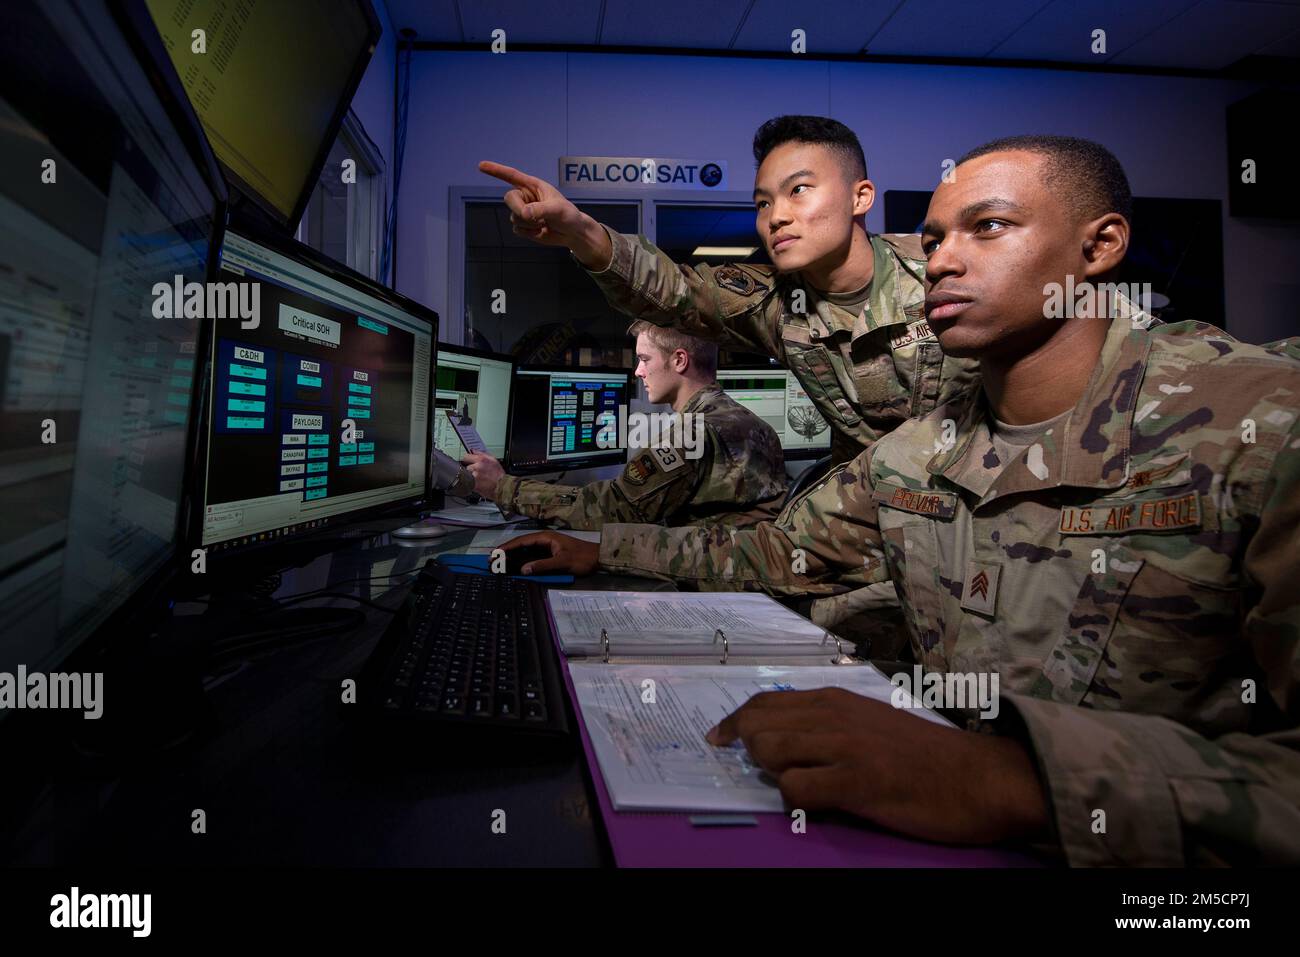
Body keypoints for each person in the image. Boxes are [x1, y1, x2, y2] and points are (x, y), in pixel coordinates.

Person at [502, 135, 1300, 866]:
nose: (945, 262)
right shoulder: (917, 450)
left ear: (1099, 247)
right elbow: (776, 550)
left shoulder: (1257, 426)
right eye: (936, 237)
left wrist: (1011, 781)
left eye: (987, 227)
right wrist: (606, 551)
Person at [480, 114, 980, 468]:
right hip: (869, 521)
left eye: (798, 190)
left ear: (860, 196)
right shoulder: (776, 304)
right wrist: (578, 232)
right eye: (762, 203)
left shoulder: (942, 268)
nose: (775, 216)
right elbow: (673, 290)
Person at [461, 321, 787, 530]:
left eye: (644, 360)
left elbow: (613, 508)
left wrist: (502, 486)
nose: (638, 372)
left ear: (679, 360)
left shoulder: (692, 434)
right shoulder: (752, 423)